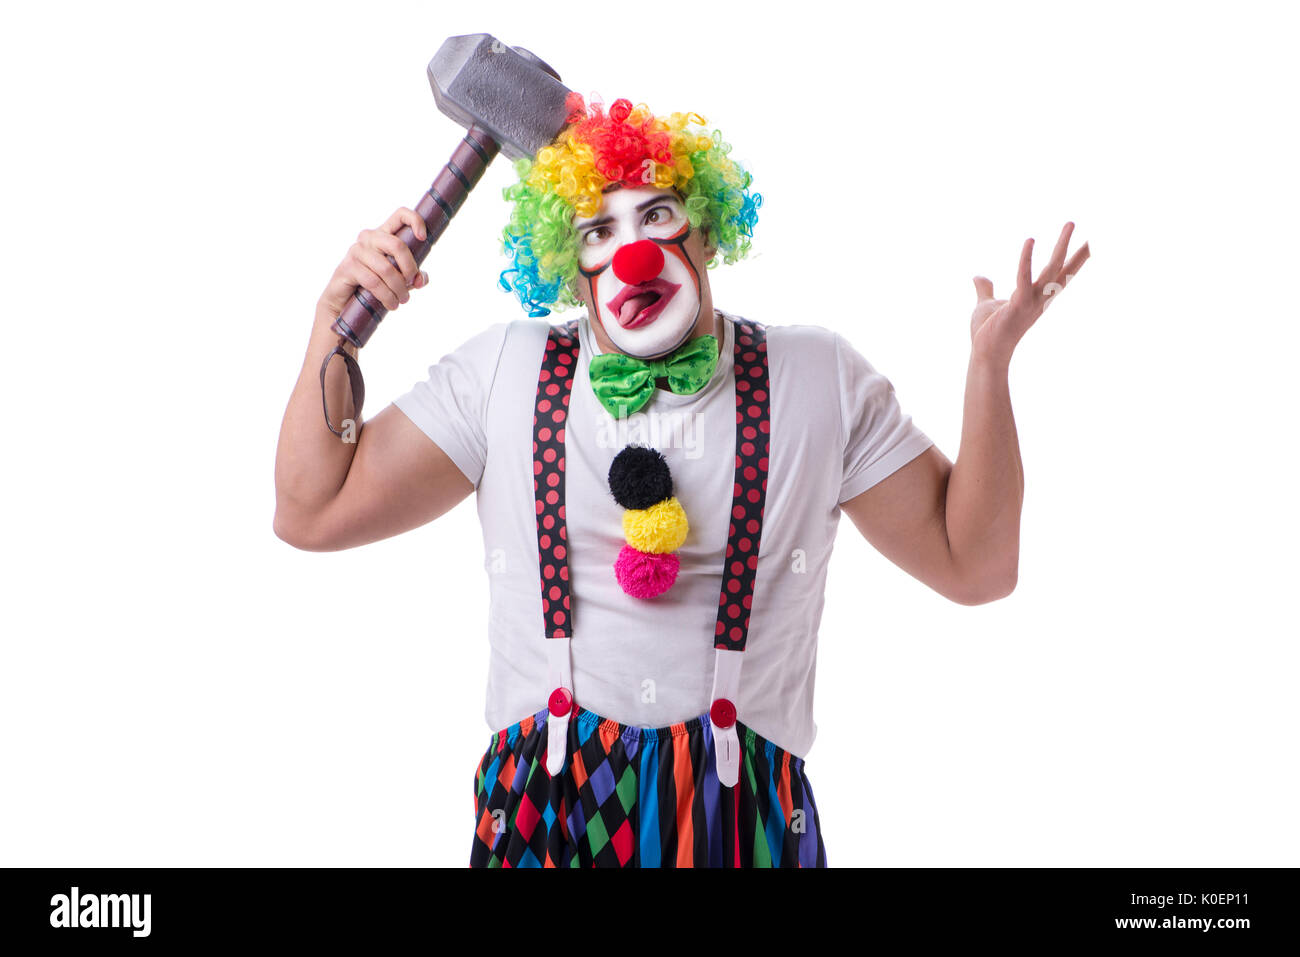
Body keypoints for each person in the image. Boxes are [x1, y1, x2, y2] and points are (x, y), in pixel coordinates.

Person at [272, 94, 1089, 868]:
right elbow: (311, 510)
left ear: (705, 231)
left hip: (746, 816)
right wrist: (334, 332)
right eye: (598, 230)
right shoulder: (504, 372)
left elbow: (976, 566)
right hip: (541, 813)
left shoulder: (816, 376)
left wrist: (990, 367)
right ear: (567, 264)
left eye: (658, 214)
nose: (633, 249)